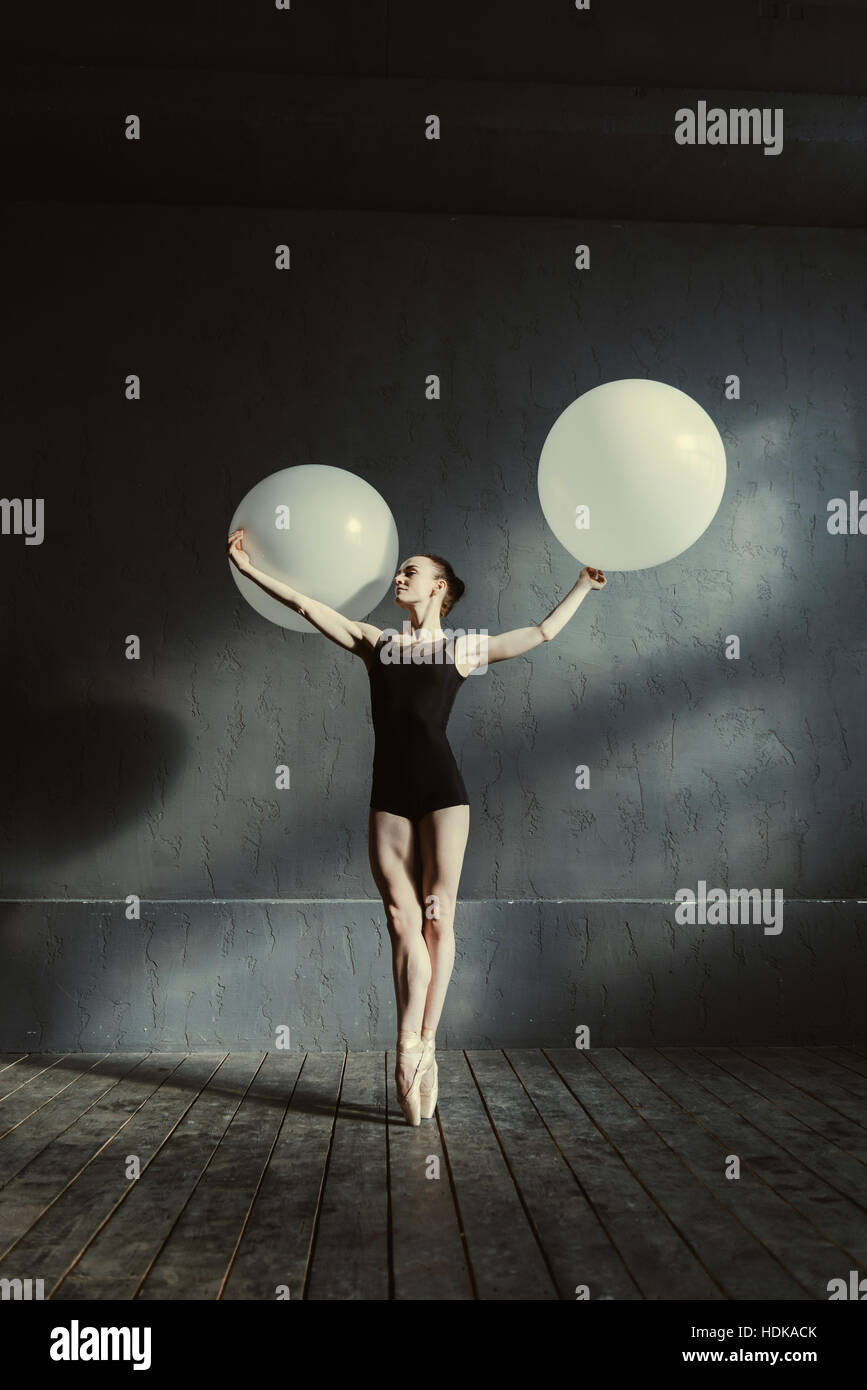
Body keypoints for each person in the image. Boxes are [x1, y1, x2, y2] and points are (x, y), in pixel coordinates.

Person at [226, 532, 606, 1124]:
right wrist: (248, 570)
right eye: (399, 571)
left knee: (437, 916)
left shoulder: (459, 648)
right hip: (390, 795)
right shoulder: (376, 643)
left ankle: (423, 1043)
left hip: (442, 795)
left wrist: (582, 584)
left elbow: (539, 634)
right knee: (401, 920)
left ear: (440, 587)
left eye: (412, 571)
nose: (399, 577)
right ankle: (408, 1047)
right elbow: (306, 605)